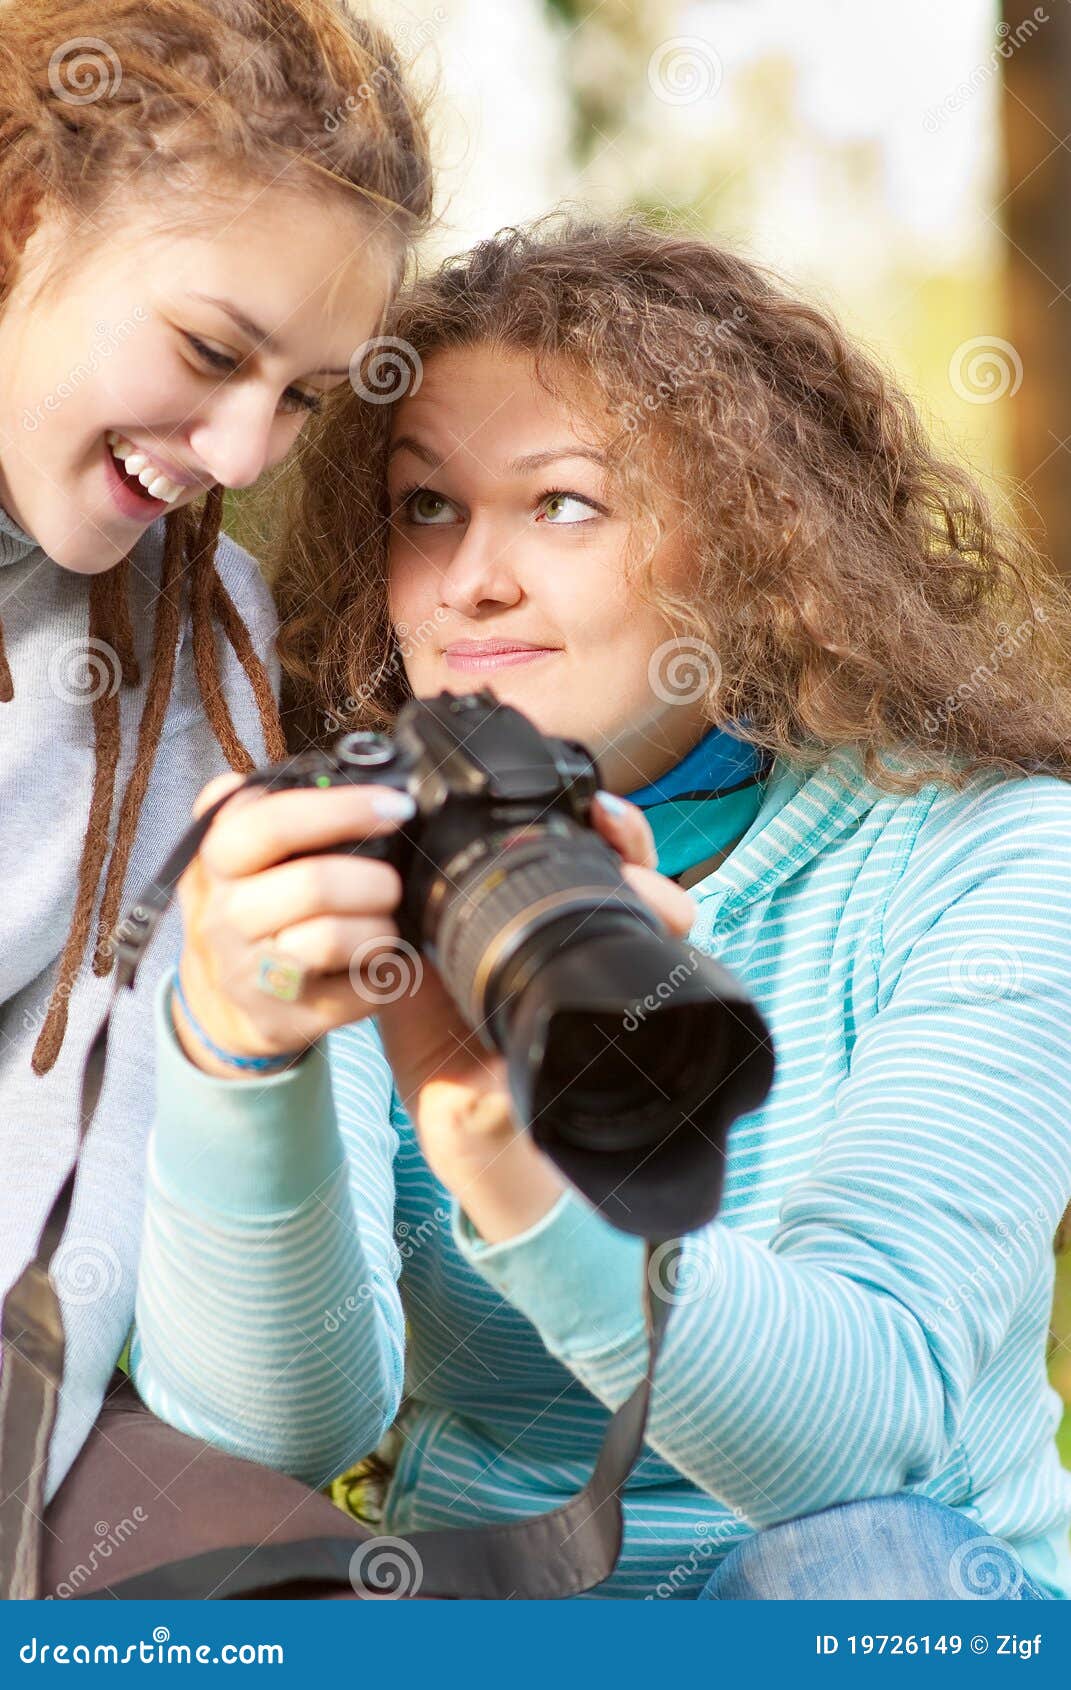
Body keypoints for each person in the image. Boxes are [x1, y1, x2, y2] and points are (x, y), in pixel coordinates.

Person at [130, 219, 1071, 1600]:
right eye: (426, 505)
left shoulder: (986, 852)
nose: (472, 580)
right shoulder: (342, 865)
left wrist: (512, 1162)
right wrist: (238, 1056)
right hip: (503, 1610)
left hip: (874, 1608)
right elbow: (267, 1441)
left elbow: (863, 1437)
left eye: (565, 504)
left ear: (757, 548)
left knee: (865, 1560)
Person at [0, 0, 432, 1574]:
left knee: (294, 1588)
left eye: (304, 395)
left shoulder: (199, 640)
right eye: (209, 350)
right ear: (26, 218)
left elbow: (81, 1194)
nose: (246, 454)